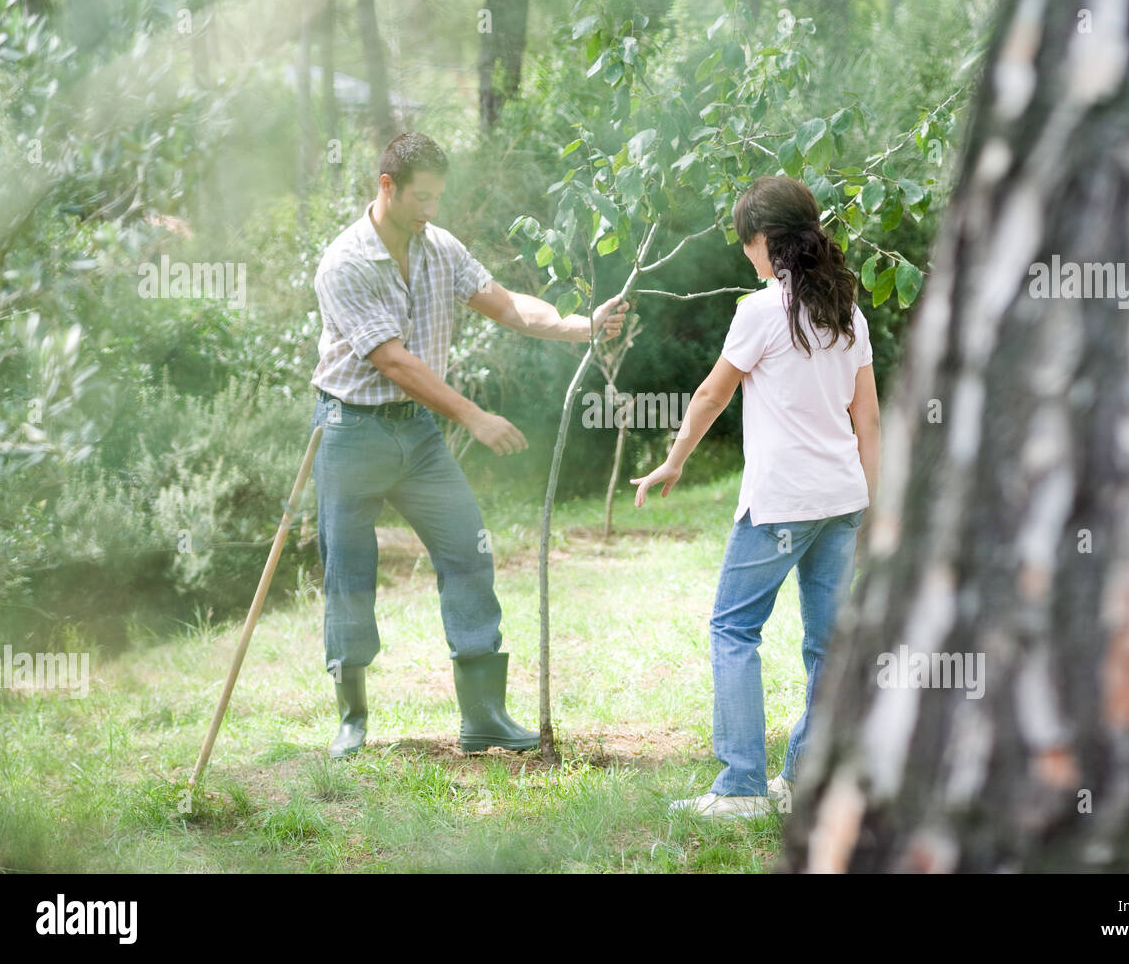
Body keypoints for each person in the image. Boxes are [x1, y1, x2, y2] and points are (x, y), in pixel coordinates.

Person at [311, 132, 628, 758]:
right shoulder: (344, 263)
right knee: (350, 572)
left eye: (437, 197)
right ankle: (352, 718)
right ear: (386, 186)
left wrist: (580, 327)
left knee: (469, 553)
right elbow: (393, 363)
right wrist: (475, 416)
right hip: (351, 430)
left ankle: (483, 718)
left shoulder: (440, 248)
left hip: (418, 435)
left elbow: (508, 306)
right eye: (420, 197)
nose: (429, 209)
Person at [630, 175, 881, 818]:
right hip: (842, 501)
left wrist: (672, 462)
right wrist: (871, 505)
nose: (748, 254)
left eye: (748, 244)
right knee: (828, 642)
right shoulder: (847, 310)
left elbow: (711, 395)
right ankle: (805, 780)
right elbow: (869, 420)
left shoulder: (762, 311)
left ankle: (741, 785)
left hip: (781, 504)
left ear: (767, 242)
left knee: (732, 627)